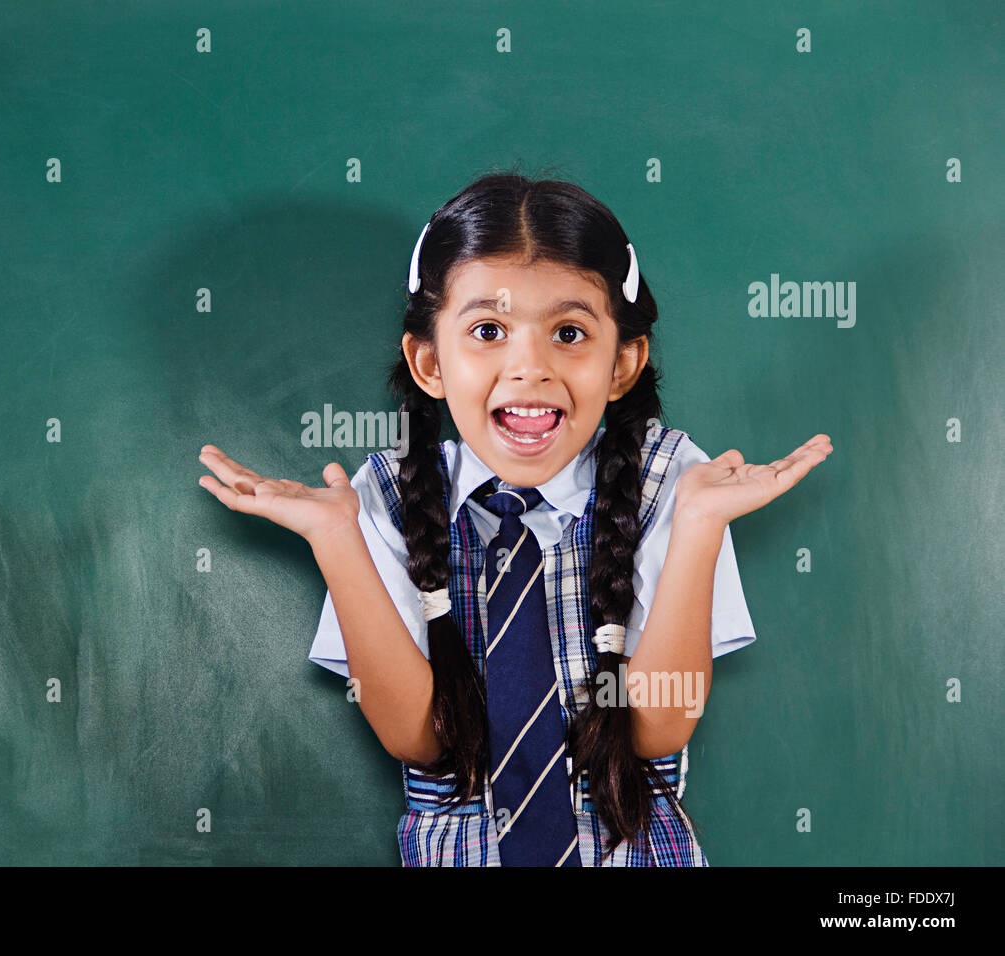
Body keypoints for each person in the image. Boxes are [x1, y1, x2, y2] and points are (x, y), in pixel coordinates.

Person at [197, 171, 832, 865]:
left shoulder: (674, 482)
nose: (528, 367)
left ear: (623, 363)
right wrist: (335, 538)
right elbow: (419, 738)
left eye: (568, 332)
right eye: (489, 331)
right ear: (429, 362)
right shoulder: (383, 496)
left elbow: (657, 730)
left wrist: (701, 526)